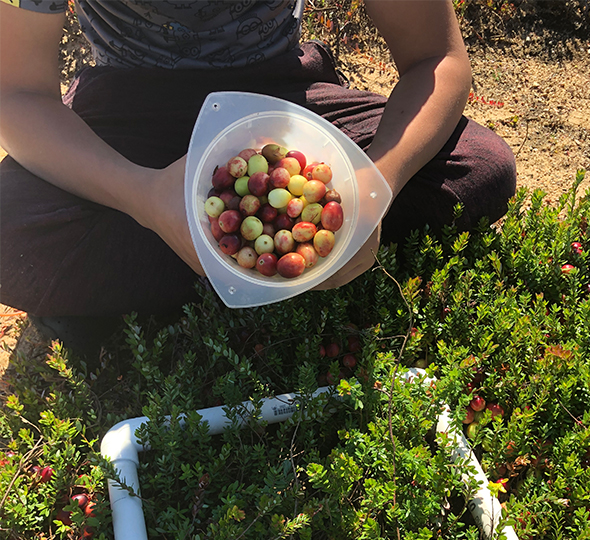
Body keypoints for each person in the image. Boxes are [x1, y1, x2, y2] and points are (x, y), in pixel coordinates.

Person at [0, 0, 516, 352]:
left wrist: (375, 182)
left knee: (478, 165)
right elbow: (18, 94)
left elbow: (437, 58)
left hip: (284, 104)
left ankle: (135, 283)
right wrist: (141, 193)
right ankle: (247, 271)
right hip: (127, 111)